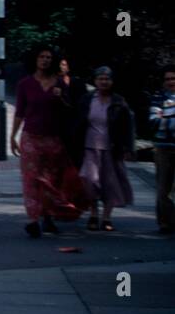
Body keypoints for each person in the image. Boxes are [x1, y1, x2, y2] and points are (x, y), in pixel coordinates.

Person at [11, 44, 78, 237]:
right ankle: (33, 219)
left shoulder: (59, 83)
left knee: (51, 180)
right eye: (42, 57)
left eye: (49, 57)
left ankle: (48, 217)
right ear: (35, 60)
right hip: (31, 137)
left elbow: (69, 110)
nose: (45, 60)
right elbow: (19, 112)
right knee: (31, 179)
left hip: (53, 138)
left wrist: (61, 99)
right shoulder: (25, 84)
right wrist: (12, 136)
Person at [69, 67, 135, 231]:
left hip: (111, 149)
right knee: (89, 181)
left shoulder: (119, 101)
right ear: (95, 81)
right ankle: (93, 213)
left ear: (112, 81)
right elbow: (76, 121)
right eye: (100, 78)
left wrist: (128, 148)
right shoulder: (87, 99)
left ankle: (106, 217)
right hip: (89, 147)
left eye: (107, 79)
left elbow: (128, 126)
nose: (104, 82)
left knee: (110, 184)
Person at [150, 66, 175, 234]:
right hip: (163, 148)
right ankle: (164, 223)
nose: (171, 82)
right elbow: (153, 121)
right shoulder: (157, 97)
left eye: (174, 78)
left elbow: (161, 120)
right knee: (163, 187)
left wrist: (166, 116)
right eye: (167, 79)